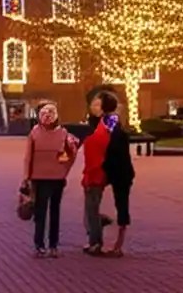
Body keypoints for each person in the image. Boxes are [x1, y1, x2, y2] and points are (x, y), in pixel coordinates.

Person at [22, 103, 77, 258]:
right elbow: (28, 157)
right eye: (44, 113)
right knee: (40, 213)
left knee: (54, 211)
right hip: (39, 178)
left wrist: (65, 169)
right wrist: (27, 177)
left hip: (57, 178)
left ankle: (53, 245)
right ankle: (39, 244)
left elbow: (70, 154)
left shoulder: (63, 133)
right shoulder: (34, 133)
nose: (47, 116)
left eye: (51, 113)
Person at [98, 92, 135, 257]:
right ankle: (106, 235)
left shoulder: (111, 124)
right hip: (117, 170)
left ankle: (118, 244)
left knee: (121, 204)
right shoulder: (111, 123)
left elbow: (110, 148)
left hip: (118, 171)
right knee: (116, 202)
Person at [80, 93, 111, 256]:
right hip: (90, 173)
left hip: (98, 173)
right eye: (93, 104)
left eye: (98, 105)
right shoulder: (92, 125)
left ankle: (96, 242)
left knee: (91, 209)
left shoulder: (106, 126)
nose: (94, 107)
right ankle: (96, 231)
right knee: (88, 211)